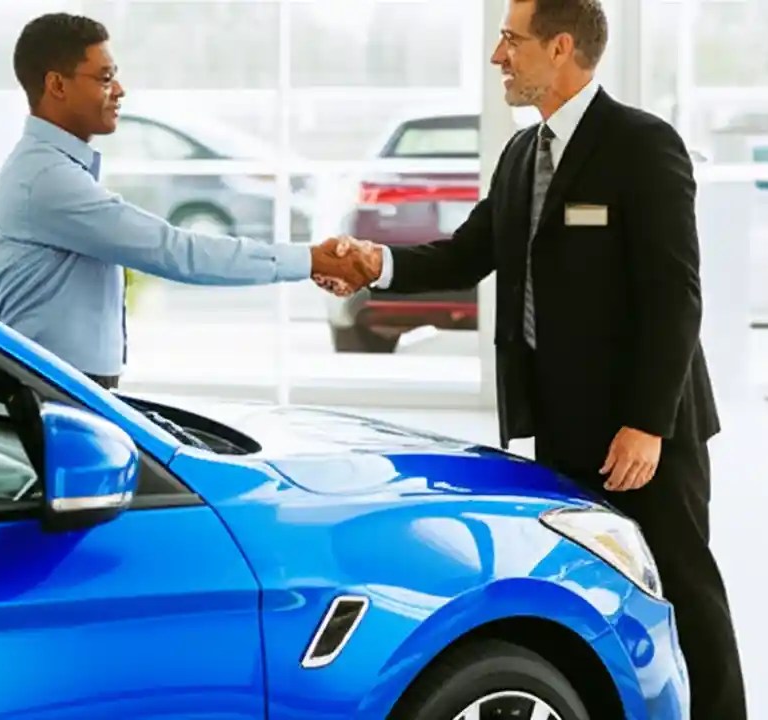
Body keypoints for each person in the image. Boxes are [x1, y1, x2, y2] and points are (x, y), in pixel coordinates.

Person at [318, 0, 746, 716]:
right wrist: (375, 265)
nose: (498, 57)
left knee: (681, 588)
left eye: (511, 40)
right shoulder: (522, 154)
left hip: (645, 431)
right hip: (561, 424)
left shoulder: (643, 145)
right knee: (589, 591)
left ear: (561, 47)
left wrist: (647, 424)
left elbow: (676, 296)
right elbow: (466, 254)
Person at [0, 12, 368, 389]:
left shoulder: (48, 169)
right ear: (57, 85)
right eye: (104, 78)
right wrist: (311, 260)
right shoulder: (48, 179)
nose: (119, 90)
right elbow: (175, 251)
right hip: (51, 388)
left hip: (63, 383)